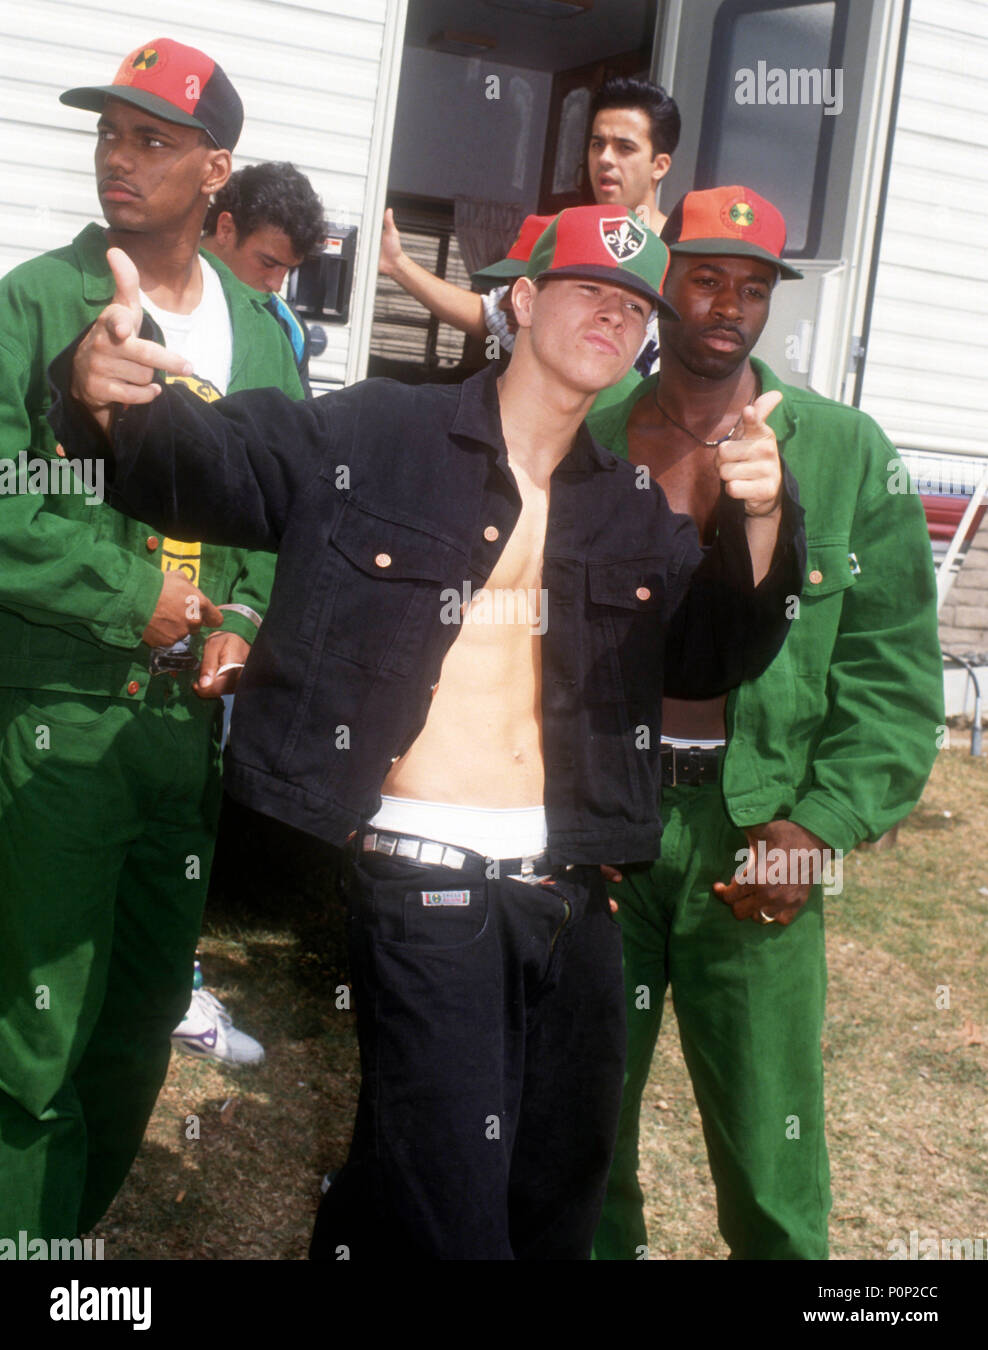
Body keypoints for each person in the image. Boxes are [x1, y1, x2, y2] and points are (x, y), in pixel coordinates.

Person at [52, 202, 805, 1261]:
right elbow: (224, 464)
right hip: (428, 877)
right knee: (452, 1211)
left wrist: (764, 520)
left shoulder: (628, 506)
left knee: (554, 1197)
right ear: (526, 300)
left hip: (573, 891)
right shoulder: (380, 432)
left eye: (633, 302)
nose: (613, 313)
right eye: (588, 286)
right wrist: (110, 403)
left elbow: (707, 657)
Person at [586, 186, 944, 1260]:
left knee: (771, 1150)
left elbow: (892, 670)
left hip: (757, 840)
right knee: (577, 1131)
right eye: (705, 278)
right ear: (663, 284)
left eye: (752, 287)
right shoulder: (591, 430)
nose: (728, 305)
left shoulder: (841, 449)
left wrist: (819, 827)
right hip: (605, 831)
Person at [0, 37, 304, 1244]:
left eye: (151, 140)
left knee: (135, 1023)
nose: (116, 159)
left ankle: (66, 1239)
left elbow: (289, 500)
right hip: (62, 712)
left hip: (191, 734)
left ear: (214, 168)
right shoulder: (36, 301)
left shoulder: (260, 328)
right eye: (108, 134)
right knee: (35, 1027)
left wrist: (244, 613)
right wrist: (133, 596)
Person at [378, 77, 680, 376]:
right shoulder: (570, 234)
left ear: (660, 165)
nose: (605, 159)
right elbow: (490, 316)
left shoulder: (681, 253)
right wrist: (397, 264)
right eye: (597, 144)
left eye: (624, 148)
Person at [201, 161, 328, 393]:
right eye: (267, 263)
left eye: (289, 269)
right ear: (226, 229)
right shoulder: (159, 284)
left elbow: (295, 424)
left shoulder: (290, 330)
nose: (276, 284)